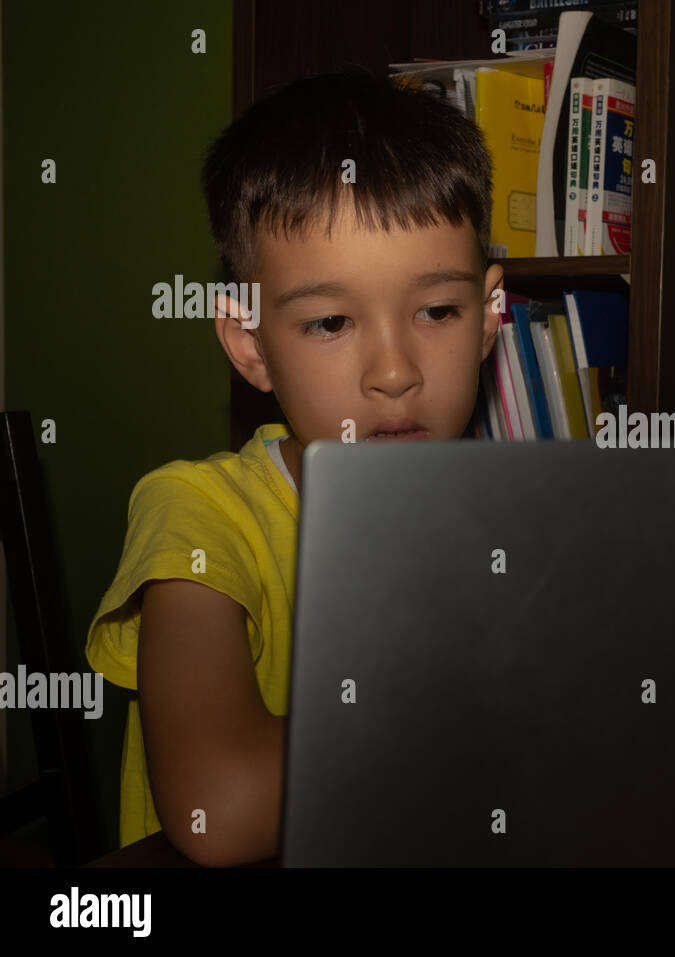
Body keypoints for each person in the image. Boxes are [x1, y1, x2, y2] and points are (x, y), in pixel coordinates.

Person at [85, 69, 503, 866]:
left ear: (488, 316)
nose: (394, 371)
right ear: (249, 344)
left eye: (437, 310)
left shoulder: (500, 520)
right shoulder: (199, 515)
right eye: (332, 322)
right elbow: (219, 811)